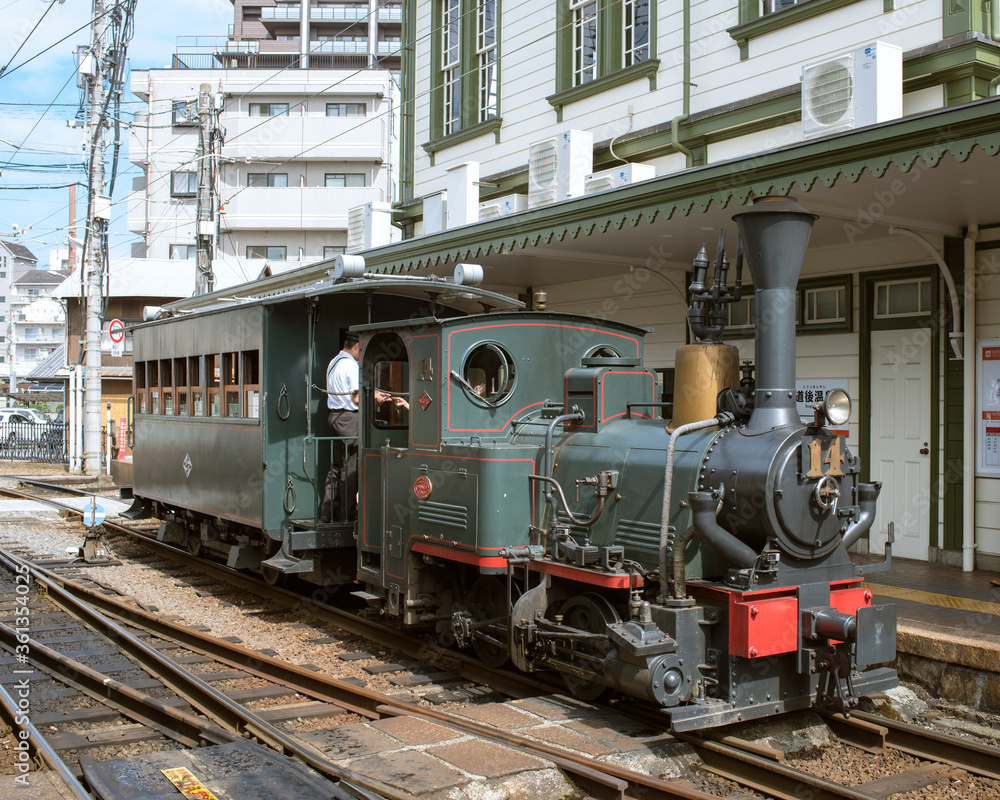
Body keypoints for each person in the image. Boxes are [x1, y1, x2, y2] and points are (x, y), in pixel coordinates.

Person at [321, 333, 362, 522]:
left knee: (336, 468)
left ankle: (327, 512)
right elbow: (356, 398)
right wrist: (375, 399)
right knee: (350, 468)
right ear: (356, 346)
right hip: (347, 418)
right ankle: (347, 514)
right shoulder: (351, 365)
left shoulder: (333, 362)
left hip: (333, 417)